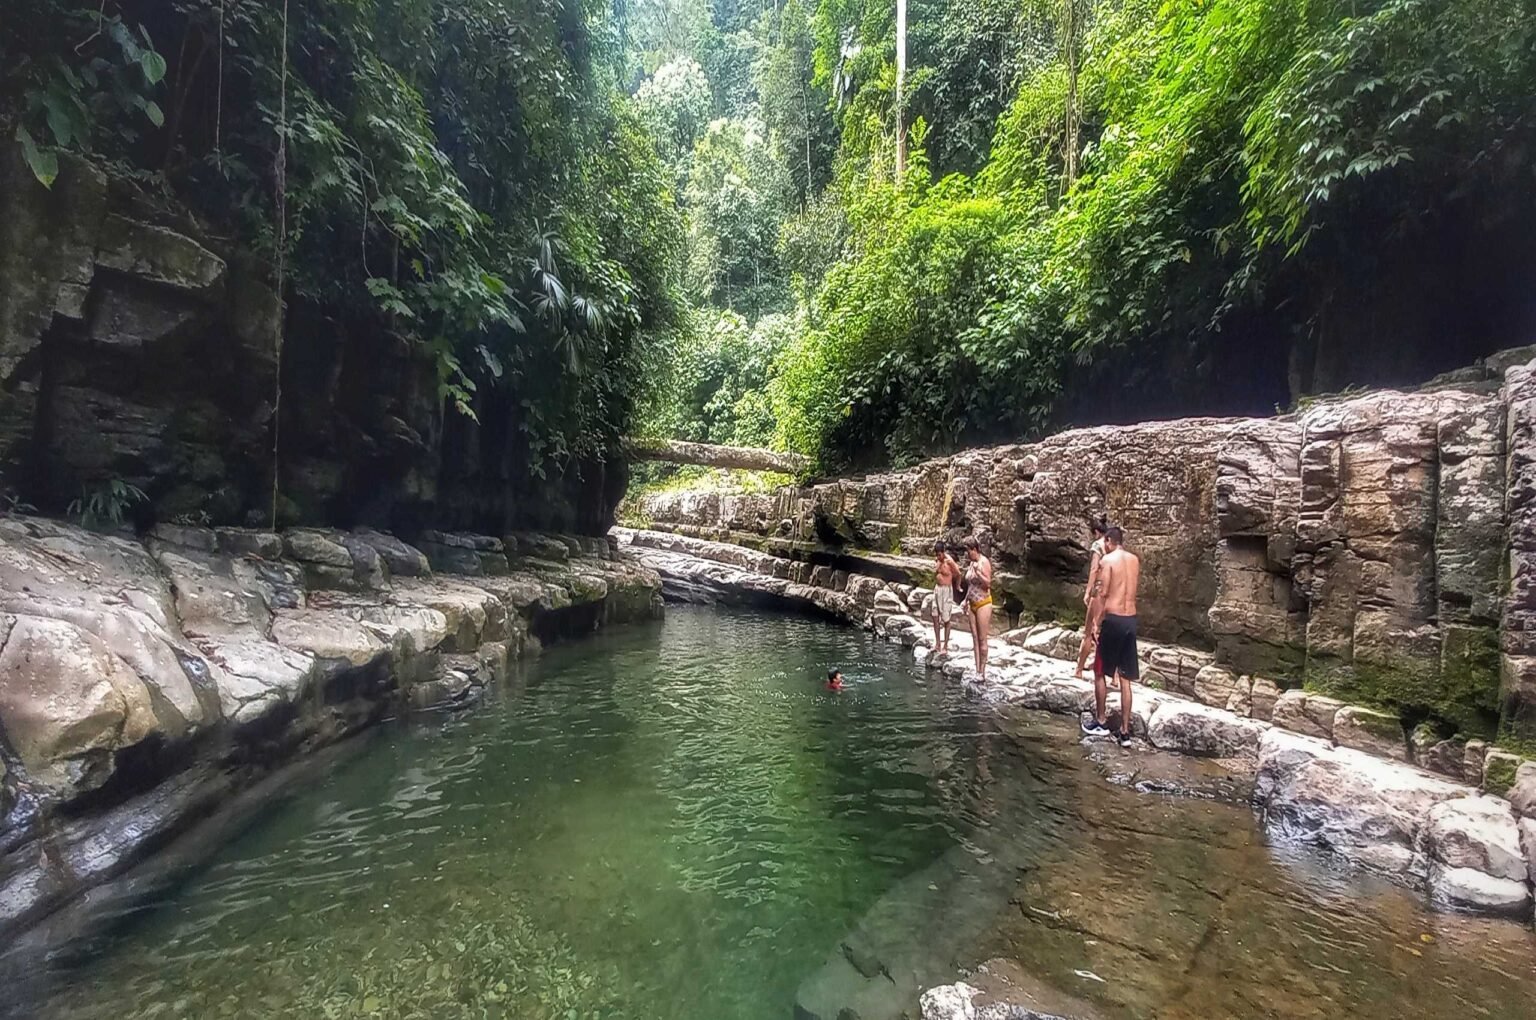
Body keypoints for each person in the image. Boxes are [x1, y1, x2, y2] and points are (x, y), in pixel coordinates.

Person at [1082, 527, 1140, 745]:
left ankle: (1100, 721)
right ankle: (1125, 733)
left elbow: (1103, 593)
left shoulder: (1107, 561)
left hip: (1113, 619)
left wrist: (1096, 623)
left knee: (1099, 671)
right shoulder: (1135, 560)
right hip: (1130, 620)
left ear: (1108, 541)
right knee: (1125, 678)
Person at [1074, 518, 1110, 680]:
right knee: (1108, 634)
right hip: (1113, 594)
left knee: (1088, 631)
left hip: (1099, 591)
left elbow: (1094, 570)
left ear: (1096, 532)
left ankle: (1079, 670)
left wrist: (1088, 592)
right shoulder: (1114, 546)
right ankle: (1114, 676)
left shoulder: (1098, 546)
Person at [962, 537, 994, 678]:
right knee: (974, 638)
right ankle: (977, 671)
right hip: (972, 604)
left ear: (974, 549)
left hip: (983, 603)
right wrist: (965, 600)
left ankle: (983, 670)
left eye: (968, 551)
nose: (967, 554)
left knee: (982, 638)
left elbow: (988, 584)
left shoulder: (983, 562)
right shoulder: (971, 563)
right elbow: (970, 585)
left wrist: (979, 572)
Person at [931, 542, 961, 652]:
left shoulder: (950, 562)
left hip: (946, 591)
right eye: (937, 555)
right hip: (937, 589)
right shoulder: (937, 560)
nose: (938, 557)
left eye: (940, 554)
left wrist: (958, 586)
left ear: (944, 552)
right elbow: (935, 571)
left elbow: (958, 574)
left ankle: (945, 646)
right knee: (934, 616)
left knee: (946, 619)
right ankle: (937, 644)